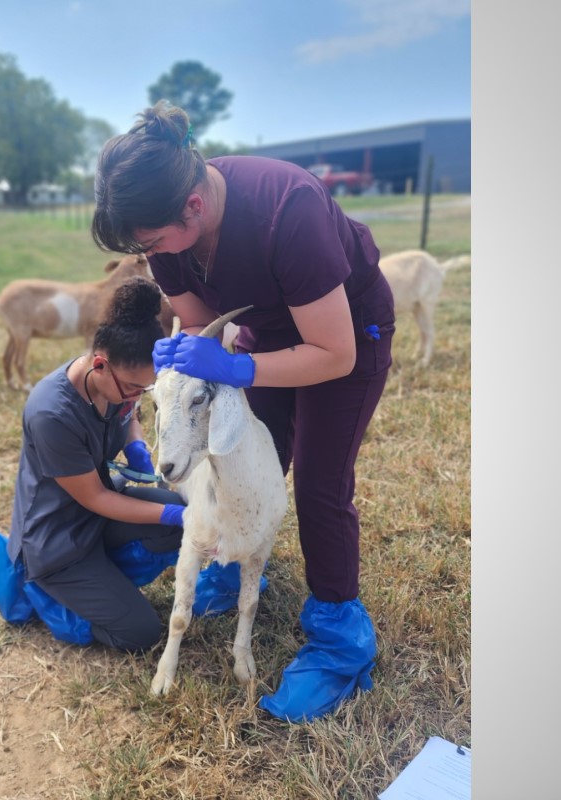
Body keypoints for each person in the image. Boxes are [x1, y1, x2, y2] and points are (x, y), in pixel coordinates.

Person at [91, 101, 395, 721]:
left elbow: (330, 352)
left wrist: (238, 369)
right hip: (264, 336)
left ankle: (340, 640)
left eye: (150, 242)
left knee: (318, 483)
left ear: (193, 208)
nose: (149, 255)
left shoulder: (289, 208)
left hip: (345, 339)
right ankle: (230, 568)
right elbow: (199, 318)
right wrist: (192, 349)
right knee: (246, 455)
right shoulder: (170, 237)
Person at [0, 276, 218, 651]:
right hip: (57, 541)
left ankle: (104, 579)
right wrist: (176, 518)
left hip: (98, 516)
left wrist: (136, 445)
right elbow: (96, 500)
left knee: (181, 516)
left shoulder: (115, 381)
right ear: (100, 365)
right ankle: (47, 593)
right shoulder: (51, 413)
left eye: (146, 388)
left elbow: (129, 414)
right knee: (140, 633)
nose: (137, 397)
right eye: (135, 389)